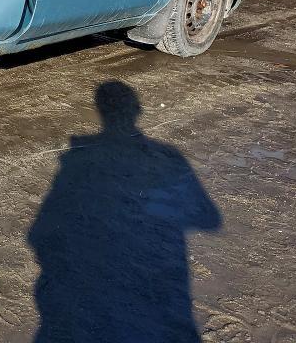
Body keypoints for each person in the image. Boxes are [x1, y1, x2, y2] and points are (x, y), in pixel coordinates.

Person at [28, 80, 221, 342]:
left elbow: (39, 232)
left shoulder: (76, 159)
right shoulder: (166, 155)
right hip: (148, 283)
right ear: (136, 110)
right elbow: (209, 219)